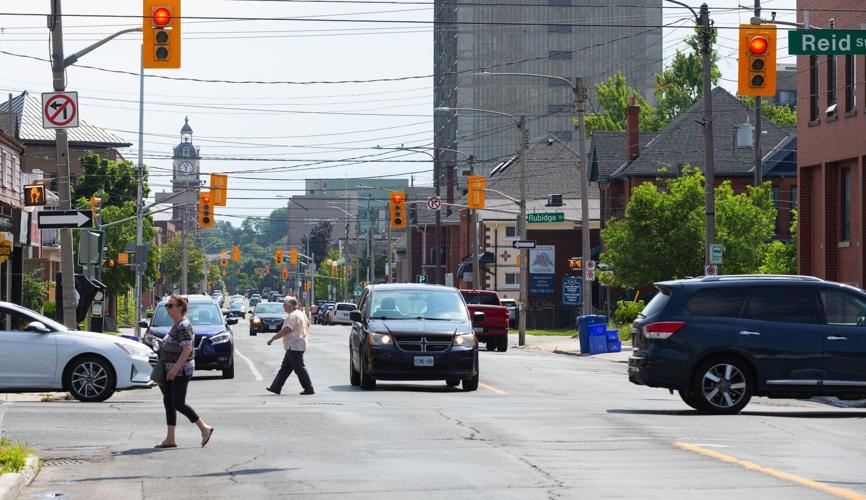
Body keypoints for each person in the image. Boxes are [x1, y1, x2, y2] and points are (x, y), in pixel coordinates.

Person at [153, 294, 215, 449]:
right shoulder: (176, 325)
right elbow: (178, 344)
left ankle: (204, 428)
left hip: (180, 371)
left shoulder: (183, 326)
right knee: (168, 402)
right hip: (169, 370)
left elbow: (187, 349)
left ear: (180, 307)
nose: (167, 309)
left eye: (170, 306)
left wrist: (174, 369)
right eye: (167, 306)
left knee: (178, 403)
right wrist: (163, 343)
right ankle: (170, 439)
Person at [266, 296, 315, 395]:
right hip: (297, 344)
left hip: (294, 345)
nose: (283, 307)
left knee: (299, 368)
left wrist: (273, 338)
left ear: (289, 306)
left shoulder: (292, 316)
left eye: (284, 305)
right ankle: (275, 387)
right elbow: (308, 324)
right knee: (285, 368)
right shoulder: (301, 314)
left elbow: (286, 330)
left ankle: (309, 389)